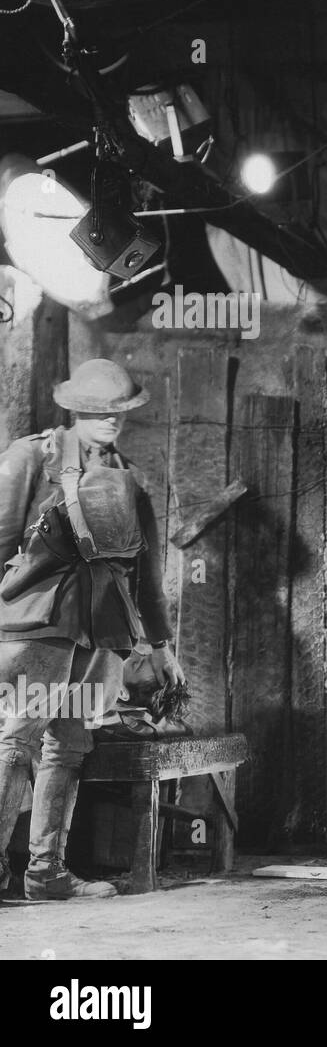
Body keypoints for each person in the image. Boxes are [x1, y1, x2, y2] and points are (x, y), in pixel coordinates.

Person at [0, 359, 183, 900]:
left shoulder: (127, 477)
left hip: (102, 628)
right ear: (74, 409)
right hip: (38, 623)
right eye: (99, 412)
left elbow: (146, 572)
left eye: (118, 412)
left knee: (69, 746)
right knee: (16, 741)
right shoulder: (32, 455)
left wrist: (162, 645)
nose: (111, 422)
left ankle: (46, 873)